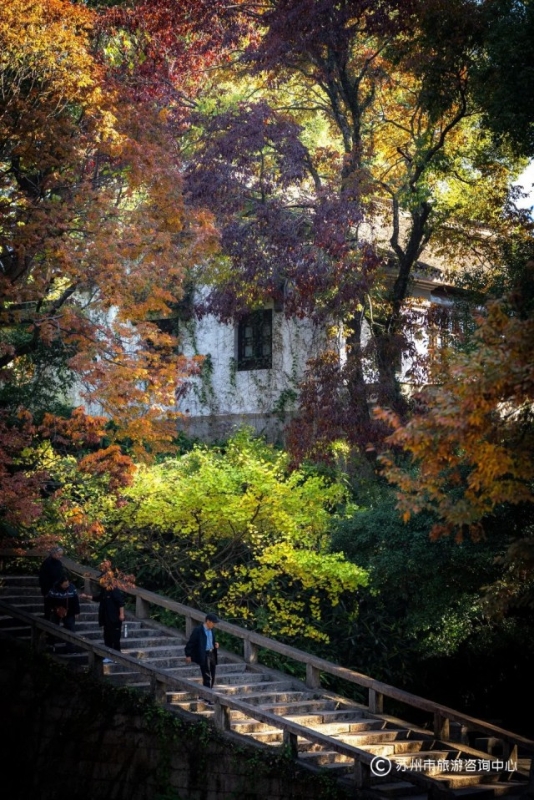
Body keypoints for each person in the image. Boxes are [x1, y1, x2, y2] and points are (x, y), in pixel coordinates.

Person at [81, 573, 125, 661]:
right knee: (107, 637)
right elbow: (98, 598)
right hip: (106, 618)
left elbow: (121, 603)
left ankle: (117, 657)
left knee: (115, 638)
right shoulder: (104, 590)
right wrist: (87, 597)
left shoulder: (114, 589)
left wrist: (121, 614)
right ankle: (108, 656)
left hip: (114, 618)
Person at [184, 613, 220, 699]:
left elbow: (211, 640)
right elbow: (191, 643)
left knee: (212, 675)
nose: (214, 625)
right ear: (208, 621)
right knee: (207, 676)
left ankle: (205, 694)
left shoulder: (211, 630)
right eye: (213, 623)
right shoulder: (198, 630)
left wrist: (216, 644)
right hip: (204, 654)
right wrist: (188, 654)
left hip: (212, 653)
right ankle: (208, 697)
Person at [47, 575, 80, 653]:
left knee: (70, 628)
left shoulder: (72, 588)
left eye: (67, 584)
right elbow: (49, 600)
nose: (66, 586)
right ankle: (51, 645)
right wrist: (55, 609)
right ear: (60, 584)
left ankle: (70, 648)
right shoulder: (54, 589)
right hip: (56, 610)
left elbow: (76, 600)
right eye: (65, 585)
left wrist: (77, 611)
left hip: (70, 611)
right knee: (53, 627)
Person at [38, 546, 65, 620]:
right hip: (48, 589)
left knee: (57, 608)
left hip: (57, 589)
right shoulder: (47, 563)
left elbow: (61, 575)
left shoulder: (59, 563)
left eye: (61, 555)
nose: (60, 556)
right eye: (59, 555)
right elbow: (42, 578)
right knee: (48, 607)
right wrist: (45, 591)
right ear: (54, 554)